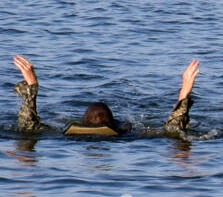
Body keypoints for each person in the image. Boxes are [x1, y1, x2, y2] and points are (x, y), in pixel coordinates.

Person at [12, 54, 199, 136]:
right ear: (117, 124)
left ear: (82, 122)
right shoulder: (131, 136)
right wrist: (184, 92)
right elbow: (174, 131)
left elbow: (28, 126)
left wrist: (32, 86)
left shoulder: (64, 135)